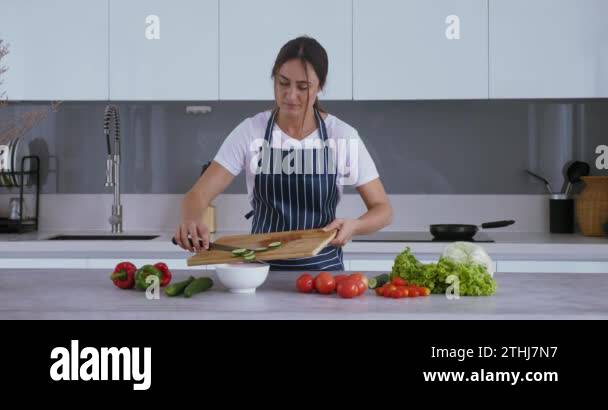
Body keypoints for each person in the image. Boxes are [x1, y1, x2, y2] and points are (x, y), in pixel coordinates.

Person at [175, 36, 392, 271]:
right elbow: (197, 196)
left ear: (320, 86)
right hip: (260, 274)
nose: (290, 95)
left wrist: (354, 226)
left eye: (303, 87)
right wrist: (192, 220)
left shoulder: (341, 135)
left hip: (323, 276)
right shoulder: (251, 131)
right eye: (283, 83)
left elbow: (383, 209)